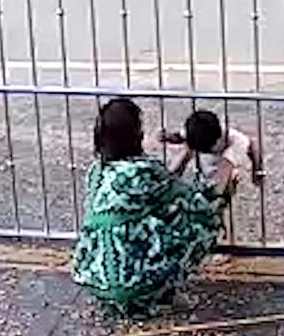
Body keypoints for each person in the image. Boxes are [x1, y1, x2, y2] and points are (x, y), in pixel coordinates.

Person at [72, 98, 232, 315]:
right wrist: (224, 181)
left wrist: (186, 152)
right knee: (201, 220)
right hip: (133, 286)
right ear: (135, 134)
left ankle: (120, 291)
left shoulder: (96, 171)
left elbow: (163, 185)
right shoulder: (143, 171)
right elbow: (192, 200)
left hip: (95, 277)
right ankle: (157, 294)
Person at [163, 110, 263, 189]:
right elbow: (180, 137)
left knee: (224, 178)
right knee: (185, 151)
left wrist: (257, 170)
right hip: (205, 162)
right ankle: (171, 179)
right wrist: (168, 137)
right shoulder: (195, 130)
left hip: (224, 161)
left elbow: (253, 145)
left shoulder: (235, 140)